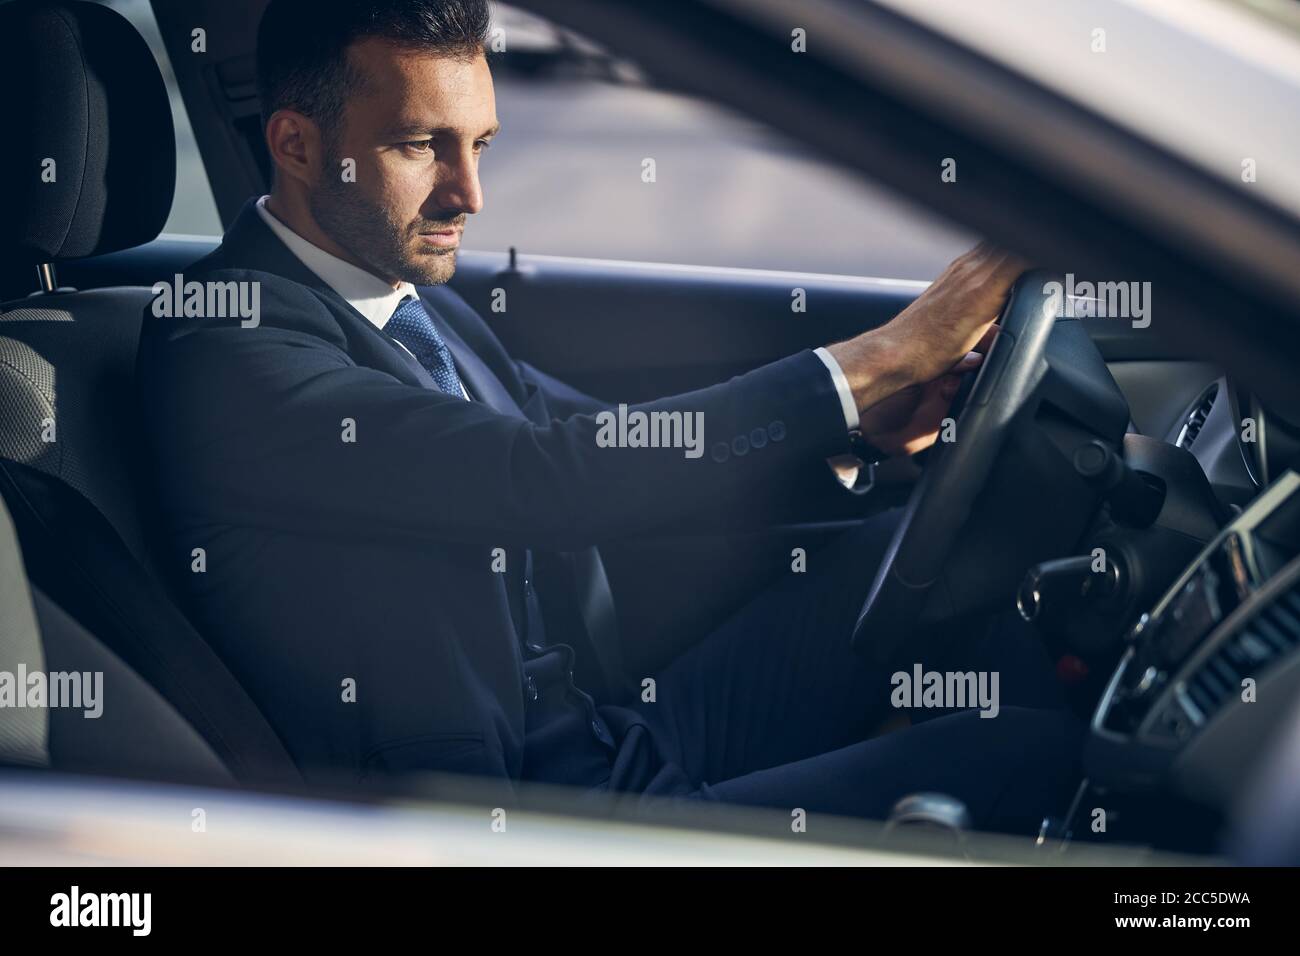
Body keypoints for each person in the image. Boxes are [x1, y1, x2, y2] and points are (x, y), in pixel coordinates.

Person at [136, 0, 1078, 833]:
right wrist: (878, 357)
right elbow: (548, 475)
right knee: (1029, 762)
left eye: (482, 145)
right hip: (508, 820)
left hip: (606, 734)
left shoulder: (410, 298)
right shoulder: (227, 345)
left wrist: (853, 434)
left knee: (933, 554)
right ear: (298, 144)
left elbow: (614, 441)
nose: (469, 195)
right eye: (421, 146)